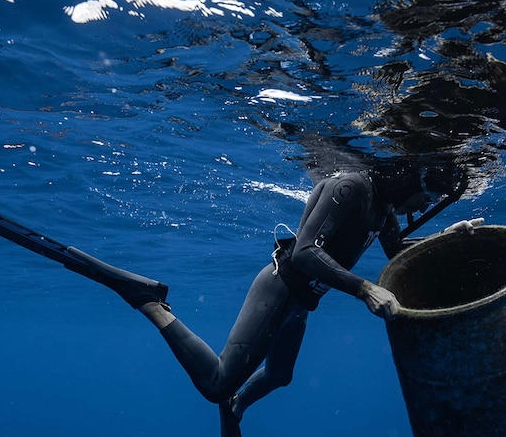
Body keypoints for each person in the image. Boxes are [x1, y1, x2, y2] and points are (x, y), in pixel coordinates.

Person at [102, 163, 469, 421]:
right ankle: (150, 302)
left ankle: (235, 408)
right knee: (216, 384)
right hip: (279, 289)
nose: (426, 204)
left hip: (301, 304)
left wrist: (446, 239)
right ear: (409, 180)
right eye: (429, 194)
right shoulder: (350, 187)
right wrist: (365, 289)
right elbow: (305, 252)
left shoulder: (383, 209)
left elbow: (398, 251)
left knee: (279, 376)